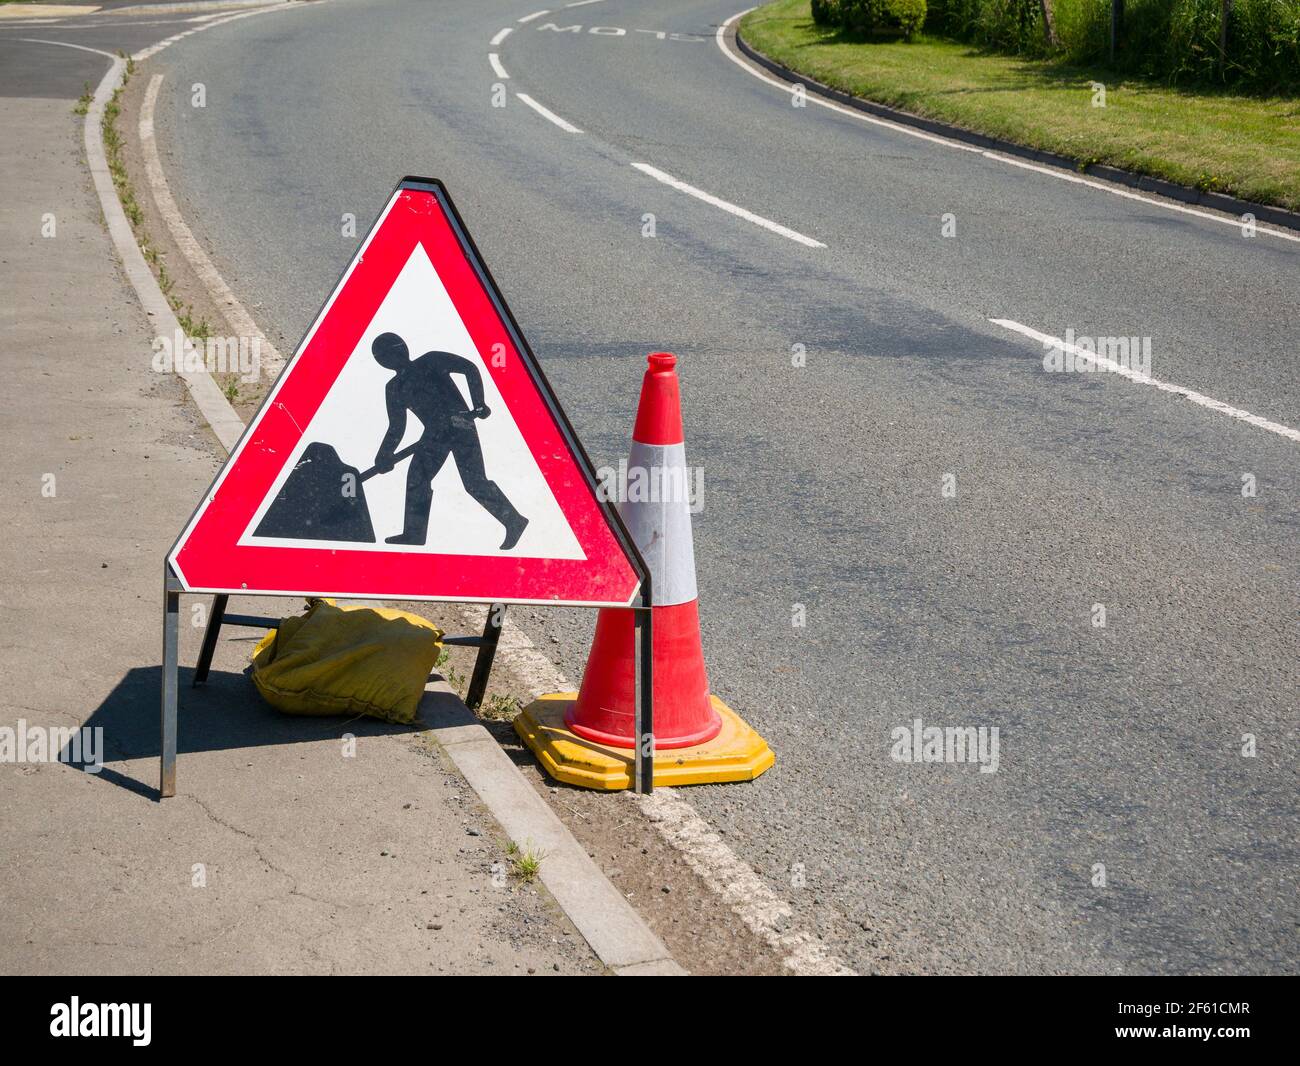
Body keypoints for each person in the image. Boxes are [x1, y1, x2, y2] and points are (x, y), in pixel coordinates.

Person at [371, 332, 528, 550]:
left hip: (460, 424)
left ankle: (514, 521)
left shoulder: (431, 360)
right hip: (434, 433)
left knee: (474, 483)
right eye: (384, 356)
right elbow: (397, 427)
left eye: (394, 351)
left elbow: (469, 368)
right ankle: (414, 534)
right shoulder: (394, 387)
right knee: (417, 478)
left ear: (404, 348)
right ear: (381, 362)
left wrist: (479, 402)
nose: (392, 358)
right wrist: (384, 454)